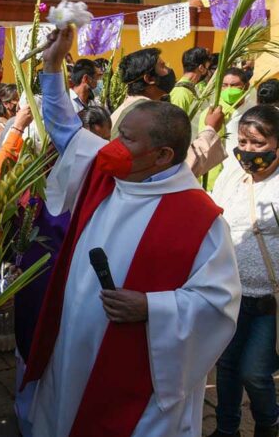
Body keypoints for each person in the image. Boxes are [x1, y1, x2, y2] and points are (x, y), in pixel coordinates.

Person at [22, 27, 241, 437]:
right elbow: (64, 128)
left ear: (162, 156)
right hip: (74, 352)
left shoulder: (200, 220)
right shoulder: (109, 170)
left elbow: (218, 305)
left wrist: (151, 307)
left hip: (139, 384)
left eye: (127, 139)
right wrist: (53, 65)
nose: (114, 145)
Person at [210, 105, 279, 437]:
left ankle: (268, 424)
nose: (248, 151)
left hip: (269, 302)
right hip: (229, 294)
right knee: (226, 367)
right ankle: (227, 430)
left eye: (258, 144)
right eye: (243, 142)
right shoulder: (231, 175)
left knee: (255, 372)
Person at [110, 48, 177, 136]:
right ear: (149, 78)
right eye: (163, 66)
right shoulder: (146, 114)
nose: (169, 70)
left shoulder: (134, 106)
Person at [170, 47, 212, 115]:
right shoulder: (181, 93)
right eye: (207, 68)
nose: (209, 73)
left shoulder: (191, 88)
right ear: (201, 68)